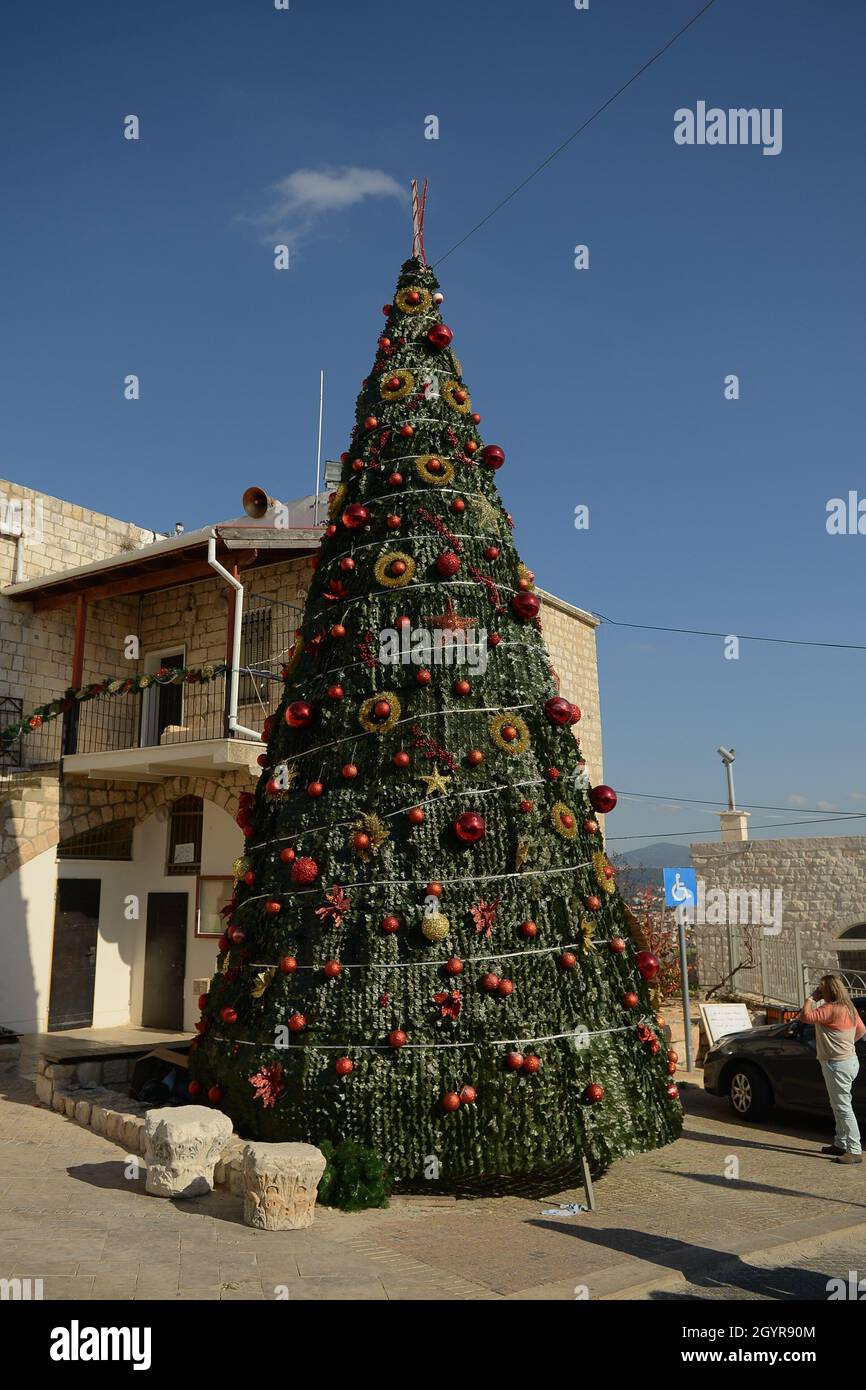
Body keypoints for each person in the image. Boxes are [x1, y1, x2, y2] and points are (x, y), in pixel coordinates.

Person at [800, 975, 865, 1164]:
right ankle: (840, 1142)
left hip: (836, 1064)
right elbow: (861, 1030)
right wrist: (845, 1043)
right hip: (850, 1061)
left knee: (843, 1107)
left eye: (821, 989)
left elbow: (805, 1017)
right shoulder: (849, 1008)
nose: (819, 991)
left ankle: (854, 1150)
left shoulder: (829, 1009)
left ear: (827, 991)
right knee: (839, 1103)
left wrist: (811, 998)